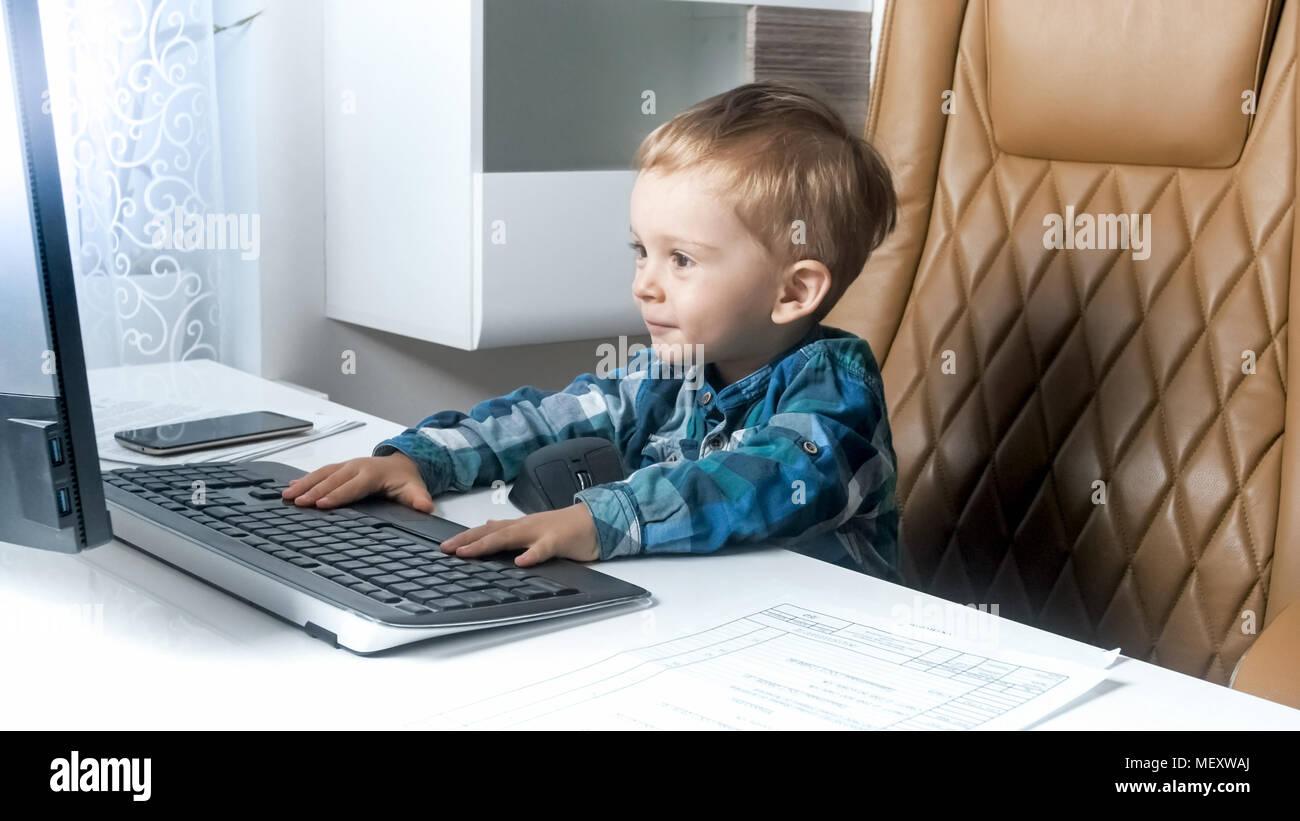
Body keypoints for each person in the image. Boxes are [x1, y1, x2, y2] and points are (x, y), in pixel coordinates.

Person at [283, 81, 901, 582]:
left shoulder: (834, 389)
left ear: (793, 292)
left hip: (822, 640)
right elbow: (556, 418)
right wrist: (425, 461)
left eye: (681, 260)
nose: (644, 285)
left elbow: (757, 482)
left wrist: (596, 520)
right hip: (705, 610)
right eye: (641, 251)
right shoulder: (671, 368)